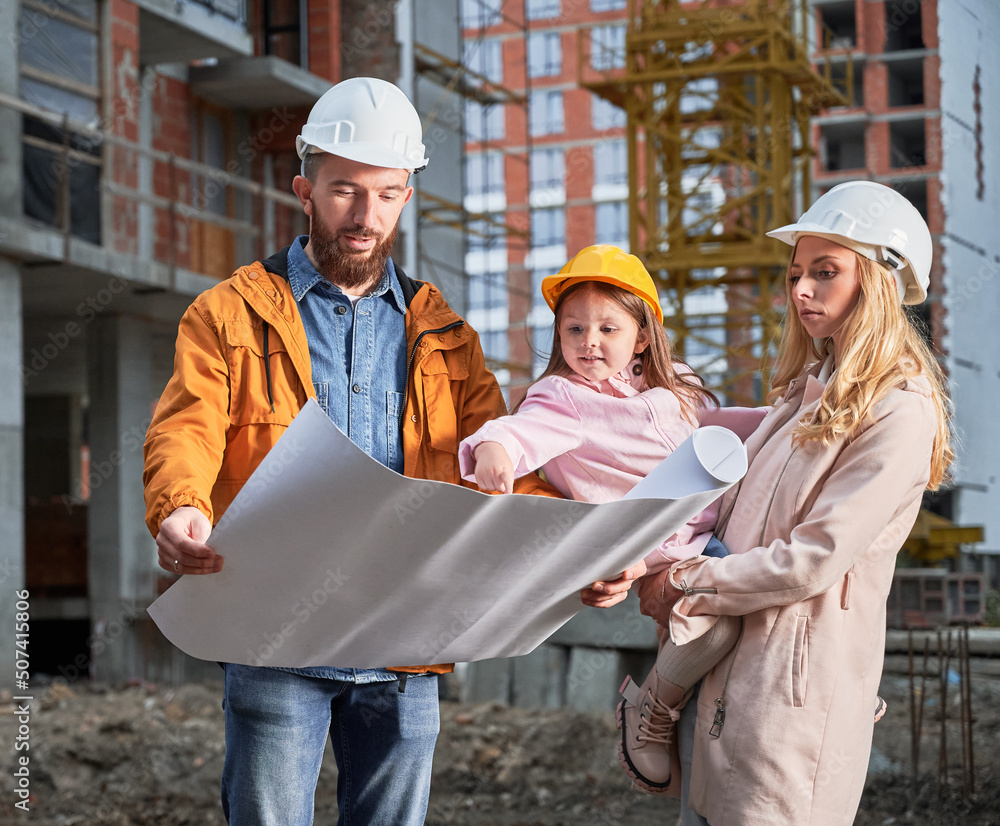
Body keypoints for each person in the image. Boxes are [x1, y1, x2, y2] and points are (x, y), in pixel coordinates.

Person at [142, 77, 556, 826]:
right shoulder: (229, 313)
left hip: (405, 642)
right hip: (277, 636)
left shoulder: (450, 339)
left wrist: (578, 559)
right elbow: (187, 427)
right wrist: (181, 509)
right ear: (304, 188)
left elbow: (504, 465)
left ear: (406, 195)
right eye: (344, 191)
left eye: (388, 194)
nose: (366, 217)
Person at [629, 181, 953, 825]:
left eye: (825, 272)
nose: (801, 289)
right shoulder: (802, 399)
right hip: (721, 684)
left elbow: (812, 559)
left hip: (788, 704)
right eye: (796, 273)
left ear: (880, 282)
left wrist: (685, 581)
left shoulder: (899, 410)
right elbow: (718, 505)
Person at [457, 244, 758, 792]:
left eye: (607, 329)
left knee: (765, 610)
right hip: (652, 551)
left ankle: (829, 683)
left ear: (642, 337)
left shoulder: (674, 386)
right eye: (574, 330)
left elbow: (717, 424)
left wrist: (782, 418)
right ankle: (649, 712)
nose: (588, 342)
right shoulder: (565, 398)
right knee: (714, 631)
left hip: (710, 533)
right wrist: (493, 449)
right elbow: (524, 428)